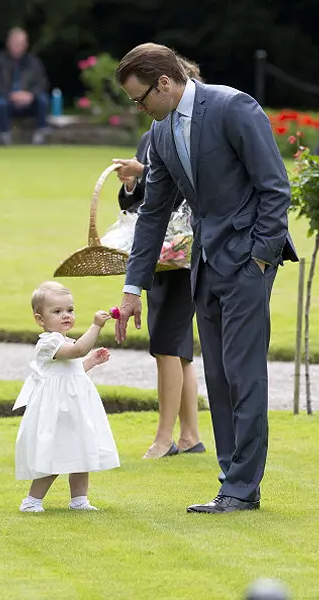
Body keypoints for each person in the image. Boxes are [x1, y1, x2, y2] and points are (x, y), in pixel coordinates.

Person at [114, 43, 298, 513]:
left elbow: (275, 186)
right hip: (205, 263)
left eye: (140, 99)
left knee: (243, 374)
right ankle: (233, 484)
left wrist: (260, 258)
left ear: (165, 83)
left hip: (247, 263)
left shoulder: (233, 107)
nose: (139, 109)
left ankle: (240, 488)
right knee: (217, 375)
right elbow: (153, 214)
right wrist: (133, 288)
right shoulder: (160, 131)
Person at [111, 57, 205, 460]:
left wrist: (144, 169)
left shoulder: (198, 125)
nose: (142, 106)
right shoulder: (154, 131)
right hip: (159, 251)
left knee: (167, 343)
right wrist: (133, 181)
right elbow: (147, 204)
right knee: (174, 346)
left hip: (184, 252)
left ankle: (165, 437)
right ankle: (190, 436)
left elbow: (192, 184)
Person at [13, 281, 120, 512]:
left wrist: (91, 362)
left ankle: (79, 499)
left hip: (75, 407)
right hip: (57, 409)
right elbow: (78, 351)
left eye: (69, 310)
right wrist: (95, 326)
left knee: (81, 450)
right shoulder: (49, 342)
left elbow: (73, 368)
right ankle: (32, 500)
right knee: (55, 452)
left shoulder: (64, 340)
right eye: (57, 311)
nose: (66, 316)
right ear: (40, 319)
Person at [0, 27, 49, 146]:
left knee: (43, 99)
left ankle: (41, 134)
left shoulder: (33, 62)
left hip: (28, 102)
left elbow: (42, 83)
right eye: (15, 43)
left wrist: (30, 95)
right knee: (0, 103)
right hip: (8, 101)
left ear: (26, 45)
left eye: (21, 44)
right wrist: (11, 96)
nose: (18, 47)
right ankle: (4, 136)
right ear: (8, 43)